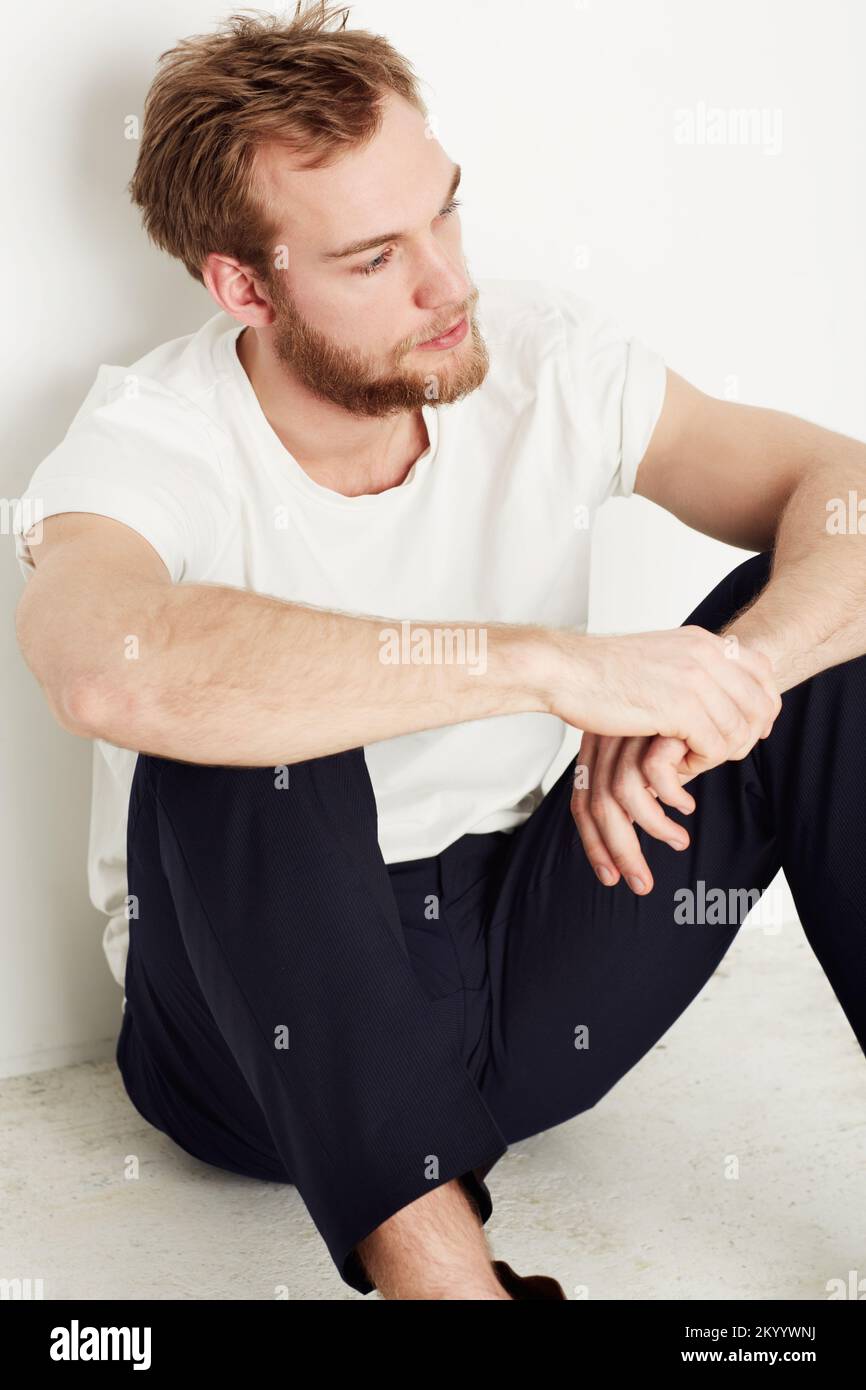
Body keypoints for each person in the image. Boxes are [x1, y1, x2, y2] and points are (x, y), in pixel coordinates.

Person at [12, 3, 866, 1301]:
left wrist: (713, 694)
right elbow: (103, 665)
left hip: (527, 960)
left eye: (444, 214)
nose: (445, 282)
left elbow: (843, 496)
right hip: (252, 1040)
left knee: (821, 637)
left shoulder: (539, 357)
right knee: (234, 715)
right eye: (371, 259)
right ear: (243, 283)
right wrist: (546, 663)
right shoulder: (152, 438)